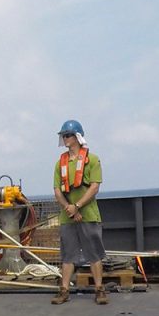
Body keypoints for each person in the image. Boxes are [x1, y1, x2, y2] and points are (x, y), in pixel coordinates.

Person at [51, 119, 107, 305]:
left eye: (68, 135)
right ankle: (64, 290)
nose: (65, 138)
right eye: (63, 135)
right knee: (67, 255)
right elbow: (57, 190)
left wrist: (78, 206)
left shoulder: (92, 159)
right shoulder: (60, 164)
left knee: (94, 254)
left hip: (89, 214)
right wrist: (71, 209)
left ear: (77, 137)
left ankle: (99, 289)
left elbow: (94, 187)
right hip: (68, 216)